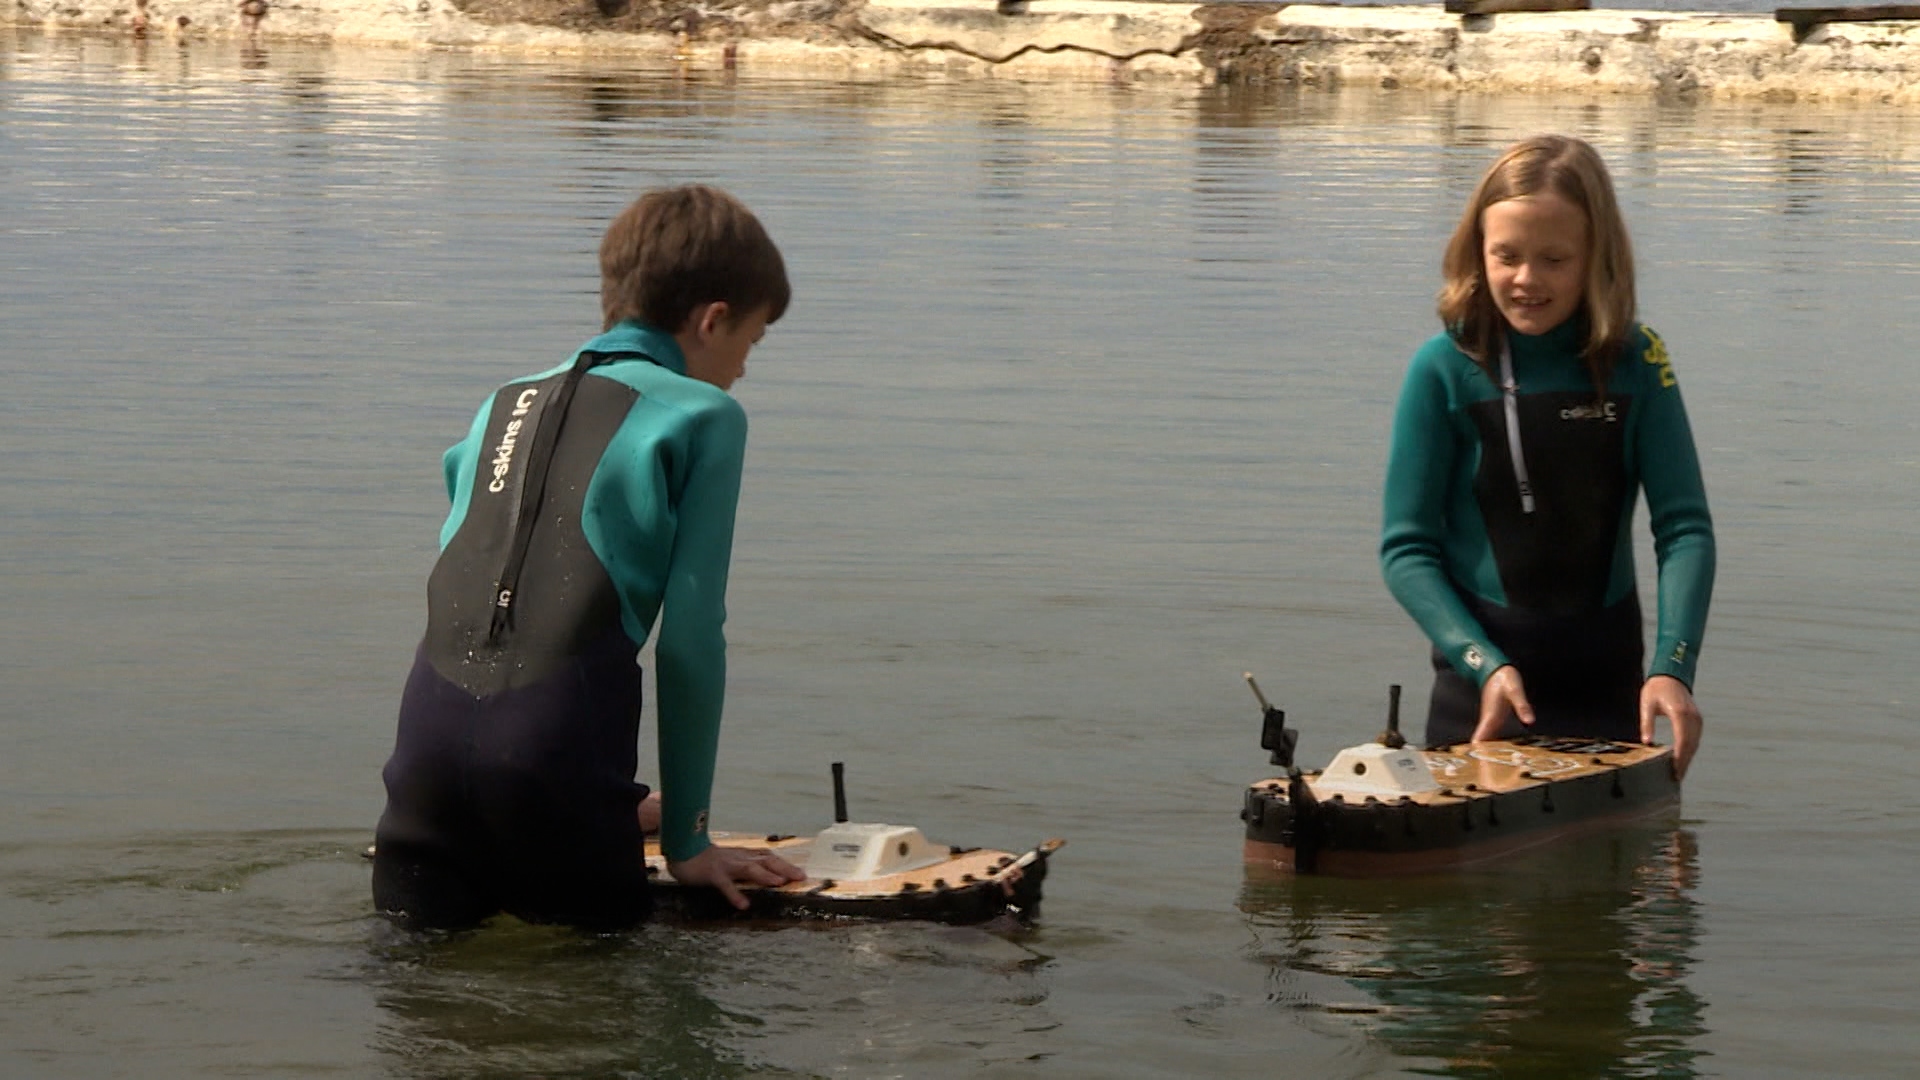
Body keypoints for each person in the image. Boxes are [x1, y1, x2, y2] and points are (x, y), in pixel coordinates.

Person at [373, 184, 807, 932]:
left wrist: (613, 799)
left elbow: (481, 593)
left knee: (422, 1025)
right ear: (712, 320)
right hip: (554, 777)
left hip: (424, 776)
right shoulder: (704, 417)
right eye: (751, 342)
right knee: (593, 1034)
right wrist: (688, 840)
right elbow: (693, 641)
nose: (742, 369)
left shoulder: (501, 404)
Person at [1379, 135, 1715, 780]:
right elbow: (1406, 549)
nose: (1526, 279)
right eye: (1506, 256)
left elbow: (1684, 529)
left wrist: (1673, 669)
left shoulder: (1639, 360)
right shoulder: (1444, 367)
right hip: (1480, 695)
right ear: (1477, 252)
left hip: (1613, 694)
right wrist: (1483, 662)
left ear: (1597, 258)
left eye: (1554, 259)